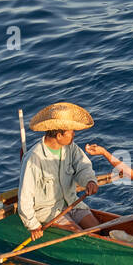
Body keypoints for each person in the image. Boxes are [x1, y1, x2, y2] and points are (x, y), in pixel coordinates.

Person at [18, 102, 102, 242]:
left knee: (97, 229)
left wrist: (90, 181)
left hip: (72, 203)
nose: (74, 134)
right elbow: (25, 197)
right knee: (82, 237)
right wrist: (33, 225)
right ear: (59, 135)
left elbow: (83, 167)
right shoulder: (33, 159)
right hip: (47, 213)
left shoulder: (71, 148)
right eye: (71, 132)